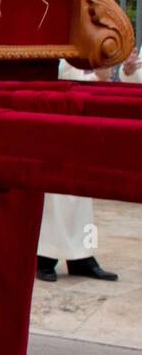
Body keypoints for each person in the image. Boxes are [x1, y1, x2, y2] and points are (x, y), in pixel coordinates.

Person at [36, 59, 118, 282]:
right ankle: (44, 256)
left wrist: (99, 76)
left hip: (77, 119)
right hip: (48, 118)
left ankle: (82, 256)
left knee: (81, 196)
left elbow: (85, 79)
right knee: (53, 196)